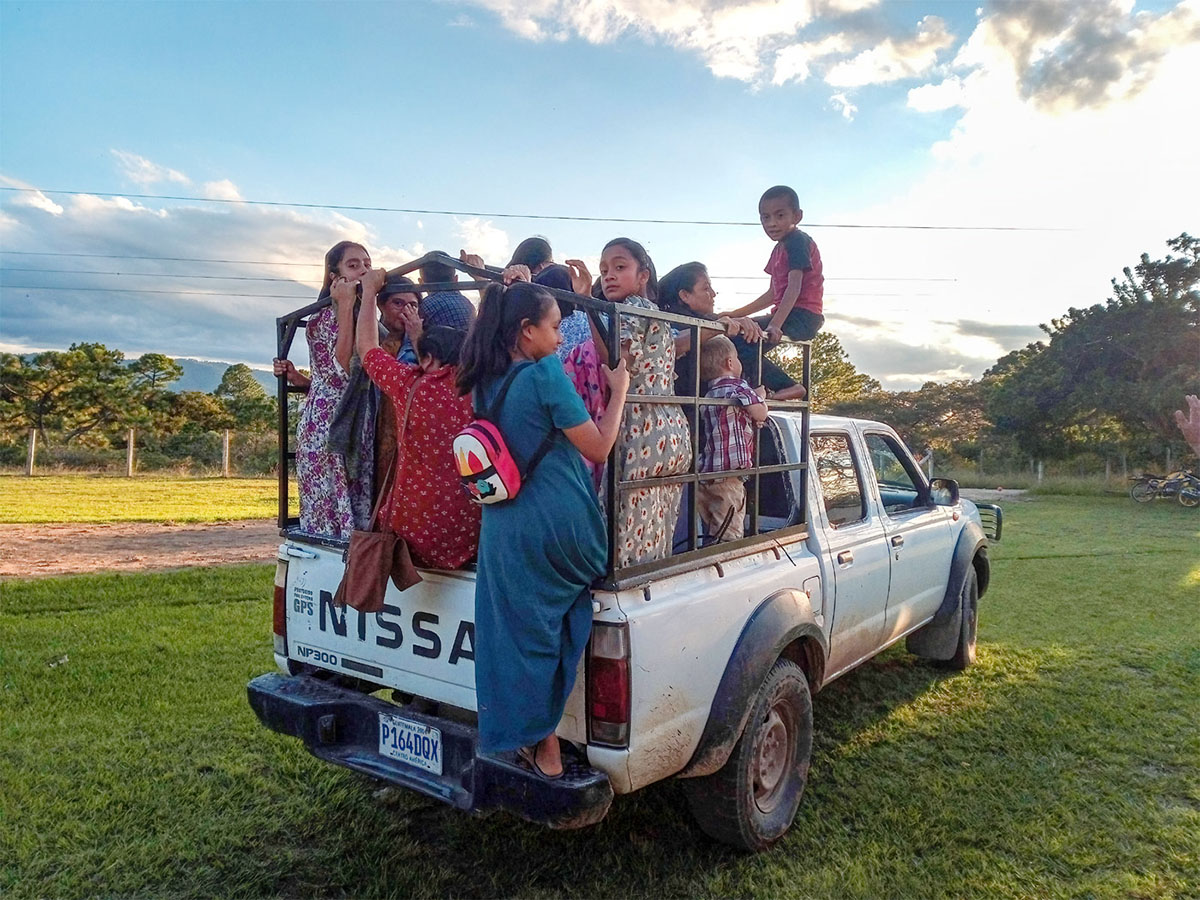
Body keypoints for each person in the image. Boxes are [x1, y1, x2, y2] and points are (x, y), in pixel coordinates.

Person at [456, 278, 629, 779]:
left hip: (504, 526)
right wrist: (619, 392)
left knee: (515, 638)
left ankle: (540, 746)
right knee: (549, 624)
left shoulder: (484, 380)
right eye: (554, 328)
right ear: (526, 330)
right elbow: (598, 447)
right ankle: (548, 753)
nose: (559, 338)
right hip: (562, 526)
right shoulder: (546, 374)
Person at [569, 239, 693, 567]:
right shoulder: (654, 314)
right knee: (654, 535)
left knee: (624, 542)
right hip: (670, 431)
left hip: (641, 431)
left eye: (620, 267)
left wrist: (586, 301)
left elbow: (617, 362)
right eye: (604, 269)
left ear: (643, 276)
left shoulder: (631, 310)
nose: (609, 275)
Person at [355, 278, 480, 569]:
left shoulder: (408, 384)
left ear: (427, 359)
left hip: (411, 526)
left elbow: (367, 348)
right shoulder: (480, 390)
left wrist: (370, 292)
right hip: (468, 529)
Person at [292, 241, 377, 539]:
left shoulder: (363, 314)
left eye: (367, 264)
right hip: (328, 423)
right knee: (330, 502)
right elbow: (342, 370)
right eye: (353, 265)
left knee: (355, 494)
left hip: (356, 418)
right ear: (334, 276)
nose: (363, 270)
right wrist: (345, 307)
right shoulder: (323, 318)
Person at [658, 261, 806, 401]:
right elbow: (671, 345)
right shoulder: (667, 323)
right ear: (685, 295)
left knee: (743, 341)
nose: (713, 293)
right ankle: (773, 389)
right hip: (687, 405)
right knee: (737, 344)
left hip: (709, 405)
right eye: (706, 288)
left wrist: (742, 325)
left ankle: (767, 392)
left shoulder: (707, 320)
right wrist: (718, 328)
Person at [726, 185, 824, 380]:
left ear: (797, 216)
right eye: (766, 217)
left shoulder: (797, 241)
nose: (772, 223)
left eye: (780, 216)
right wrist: (735, 314)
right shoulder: (779, 248)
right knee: (739, 340)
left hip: (803, 316)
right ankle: (770, 387)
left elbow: (794, 287)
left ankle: (785, 388)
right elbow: (772, 294)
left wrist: (775, 325)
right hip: (786, 314)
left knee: (741, 344)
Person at [697, 335, 768, 542]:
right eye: (737, 358)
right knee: (728, 535)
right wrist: (760, 397)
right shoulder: (739, 388)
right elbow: (760, 414)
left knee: (707, 530)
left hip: (706, 474)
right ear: (730, 363)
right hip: (730, 476)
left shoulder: (709, 394)